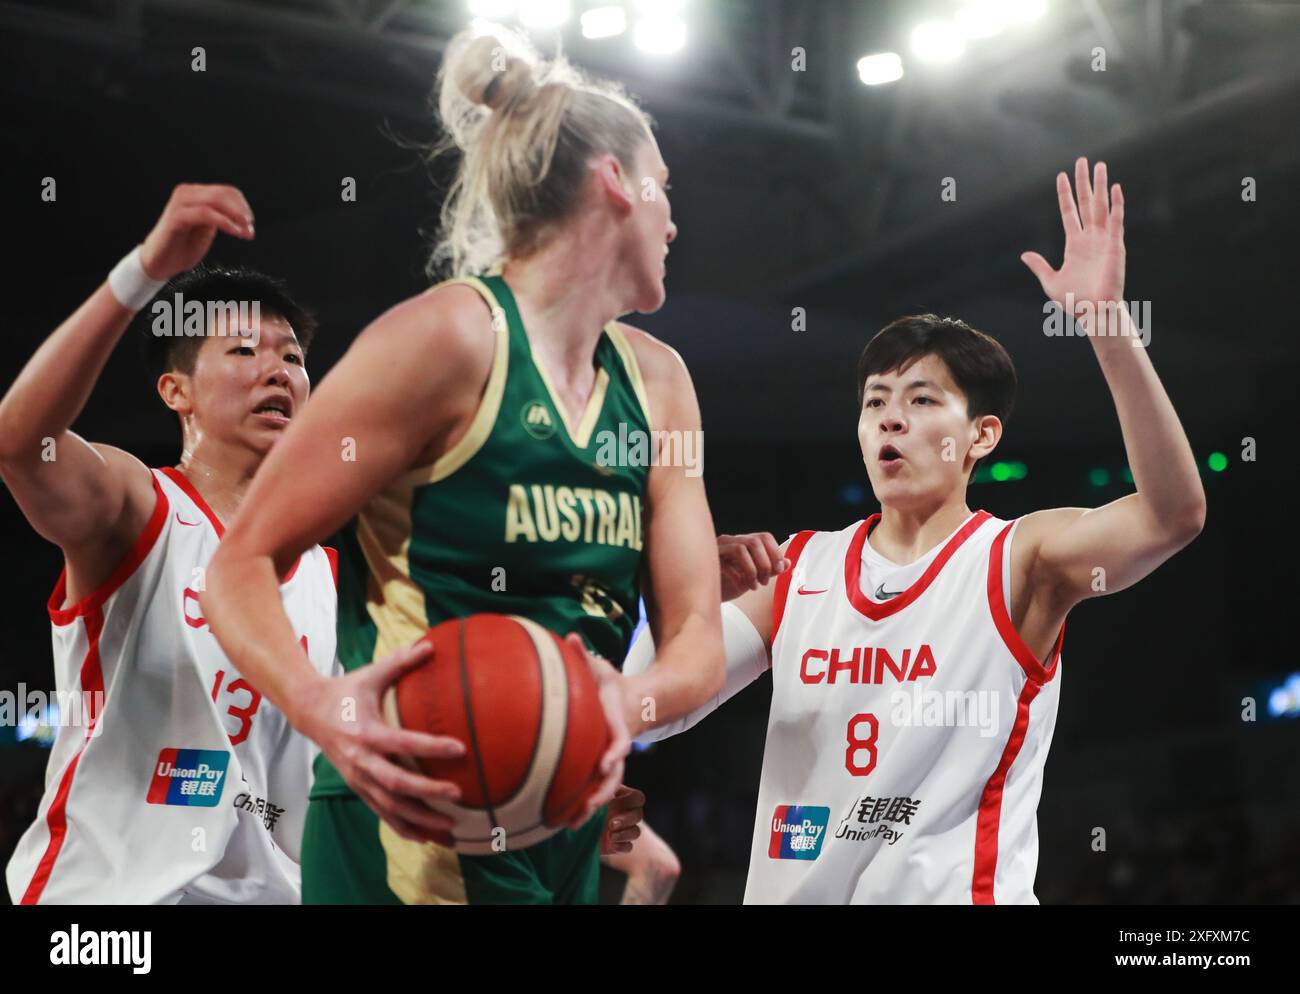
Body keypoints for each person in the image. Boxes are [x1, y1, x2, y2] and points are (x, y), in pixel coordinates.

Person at [200, 24, 725, 905]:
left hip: (562, 810)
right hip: (415, 815)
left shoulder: (663, 385)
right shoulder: (445, 340)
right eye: (663, 189)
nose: (675, 218)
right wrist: (321, 706)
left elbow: (697, 635)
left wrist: (618, 709)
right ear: (613, 186)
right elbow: (239, 563)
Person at [625, 160, 1206, 904]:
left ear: (981, 436)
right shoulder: (796, 570)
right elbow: (647, 714)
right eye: (876, 403)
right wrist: (671, 593)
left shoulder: (1017, 559)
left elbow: (1172, 515)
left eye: (922, 400)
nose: (890, 419)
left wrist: (1107, 326)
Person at [1, 185, 340, 903]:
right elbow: (19, 445)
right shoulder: (140, 506)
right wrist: (145, 272)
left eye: (293, 356)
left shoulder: (327, 574)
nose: (280, 369)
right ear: (175, 392)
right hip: (103, 915)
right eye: (245, 349)